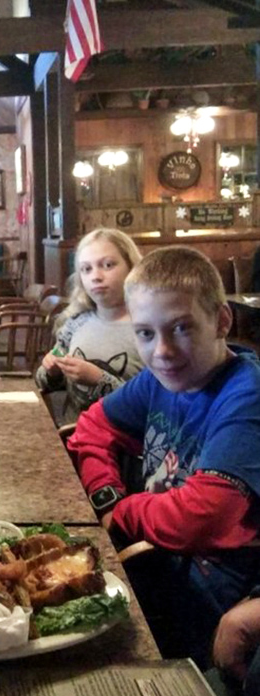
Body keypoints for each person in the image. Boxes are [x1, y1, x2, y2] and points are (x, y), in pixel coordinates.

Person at [67, 246, 260, 667]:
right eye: (145, 334)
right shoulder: (161, 379)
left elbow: (203, 516)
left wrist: (123, 512)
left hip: (209, 624)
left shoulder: (246, 396)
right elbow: (91, 427)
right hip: (153, 580)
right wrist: (105, 495)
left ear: (222, 320)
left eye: (181, 328)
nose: (162, 351)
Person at [35, 228, 144, 425]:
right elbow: (42, 382)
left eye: (108, 265)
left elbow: (154, 405)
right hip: (73, 435)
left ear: (131, 267)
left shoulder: (151, 331)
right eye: (86, 269)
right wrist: (51, 371)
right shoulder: (75, 323)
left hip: (127, 439)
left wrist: (99, 380)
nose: (96, 276)